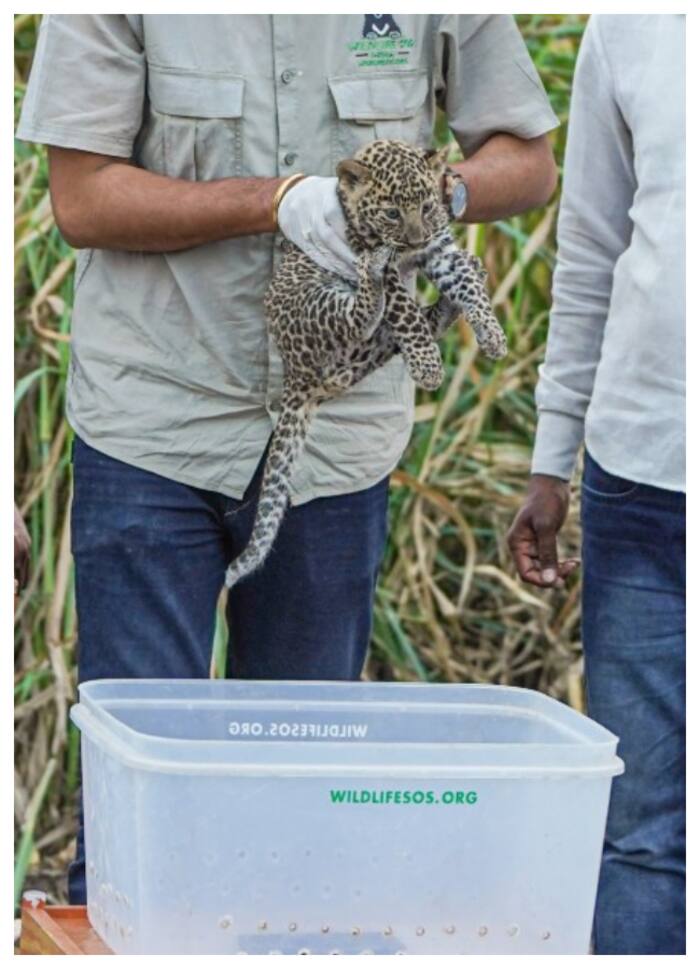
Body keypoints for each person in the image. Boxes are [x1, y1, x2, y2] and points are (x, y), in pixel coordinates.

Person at [17, 14, 558, 903]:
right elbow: (84, 200)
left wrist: (430, 197)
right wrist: (275, 201)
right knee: (135, 795)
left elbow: (528, 160)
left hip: (336, 441)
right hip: (155, 422)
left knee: (298, 795)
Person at [507, 15, 685, 956]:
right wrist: (553, 459)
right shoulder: (632, 25)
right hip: (642, 481)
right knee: (644, 832)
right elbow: (589, 255)